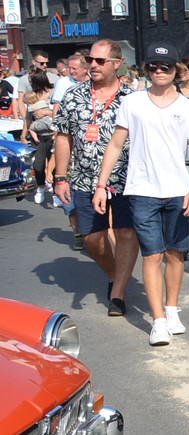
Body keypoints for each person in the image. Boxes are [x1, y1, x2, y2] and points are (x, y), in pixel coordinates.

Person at [94, 42, 189, 346]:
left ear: (176, 71)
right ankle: (157, 321)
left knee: (175, 254)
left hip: (178, 191)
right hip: (141, 190)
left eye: (165, 67)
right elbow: (115, 145)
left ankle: (171, 310)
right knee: (153, 254)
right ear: (146, 69)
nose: (159, 72)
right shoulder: (132, 103)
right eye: (153, 67)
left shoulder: (187, 108)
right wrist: (101, 185)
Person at [51, 38, 141, 317]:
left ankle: (118, 293)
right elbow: (63, 137)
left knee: (126, 232)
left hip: (126, 178)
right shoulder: (73, 96)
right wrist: (60, 176)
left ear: (117, 64)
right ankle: (115, 274)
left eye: (100, 61)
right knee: (91, 238)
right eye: (90, 60)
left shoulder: (132, 99)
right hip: (83, 179)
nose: (93, 65)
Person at [22, 71, 56, 203]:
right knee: (38, 165)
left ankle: (54, 192)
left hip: (51, 133)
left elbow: (58, 111)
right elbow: (27, 117)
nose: (30, 83)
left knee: (54, 165)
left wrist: (46, 112)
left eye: (32, 81)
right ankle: (41, 187)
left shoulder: (53, 93)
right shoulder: (31, 95)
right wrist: (24, 134)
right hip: (38, 135)